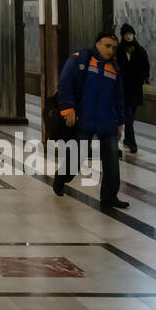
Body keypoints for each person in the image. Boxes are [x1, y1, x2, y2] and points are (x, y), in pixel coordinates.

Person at [51, 31, 127, 208]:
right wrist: (68, 108)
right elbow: (65, 83)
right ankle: (61, 178)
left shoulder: (114, 68)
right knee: (77, 157)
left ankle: (109, 196)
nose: (110, 50)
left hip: (107, 121)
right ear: (97, 44)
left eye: (113, 48)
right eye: (107, 46)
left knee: (112, 161)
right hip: (84, 119)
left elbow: (119, 97)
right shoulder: (80, 59)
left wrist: (120, 122)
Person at [115, 23, 150, 155]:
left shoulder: (140, 50)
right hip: (122, 88)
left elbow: (146, 65)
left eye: (130, 34)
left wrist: (144, 77)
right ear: (123, 36)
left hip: (135, 88)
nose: (129, 37)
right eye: (126, 34)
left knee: (131, 115)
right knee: (128, 116)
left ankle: (127, 140)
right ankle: (132, 142)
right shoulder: (118, 50)